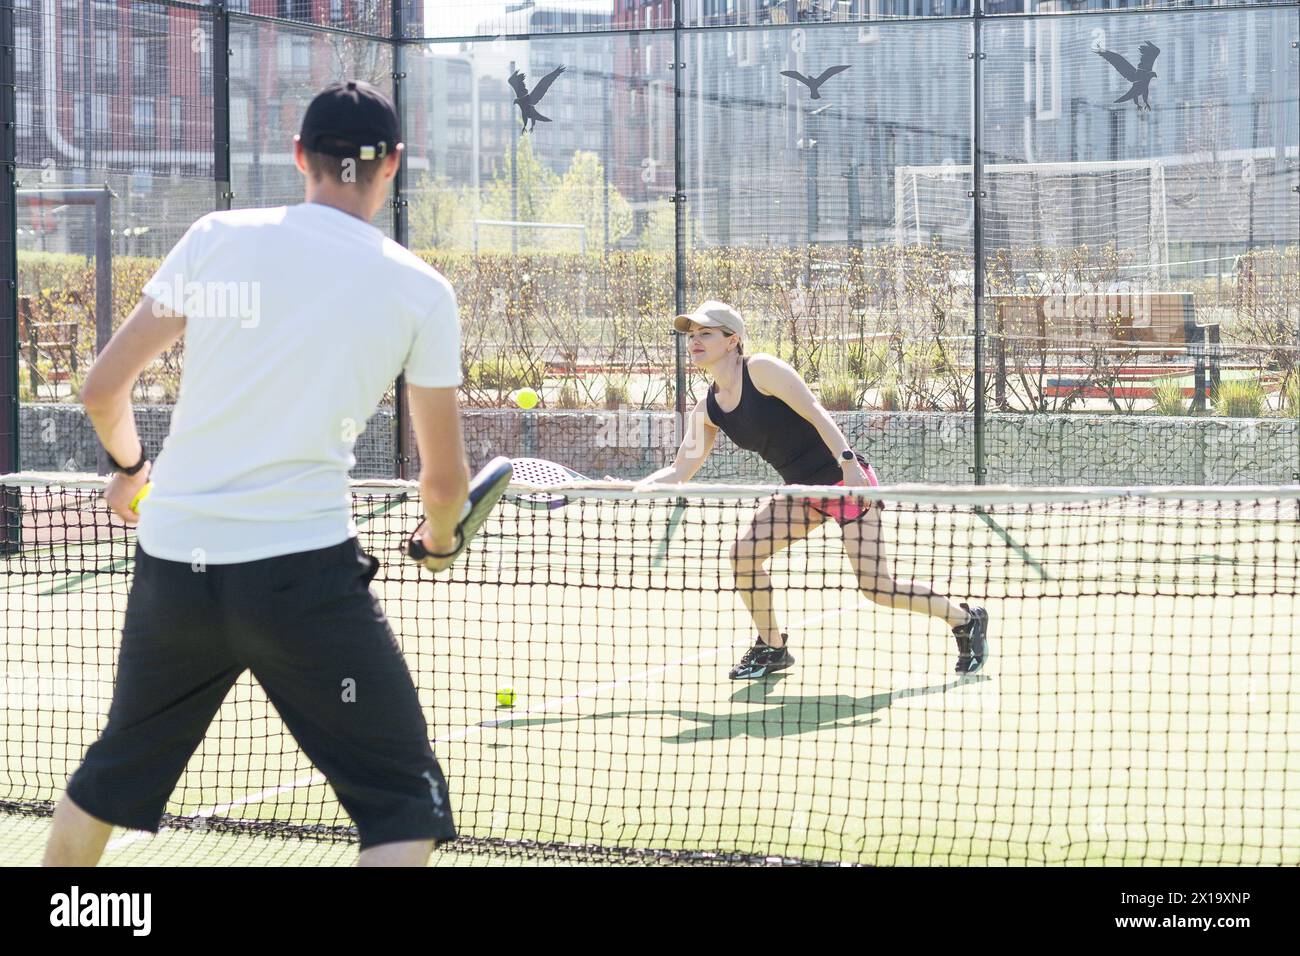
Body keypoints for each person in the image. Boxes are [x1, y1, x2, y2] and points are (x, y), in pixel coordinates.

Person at [42, 81, 466, 867]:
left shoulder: (216, 238)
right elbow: (444, 487)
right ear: (393, 166)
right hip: (302, 580)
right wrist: (439, 540)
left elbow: (103, 388)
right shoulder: (420, 289)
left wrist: (131, 470)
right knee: (401, 806)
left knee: (106, 781)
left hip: (174, 571)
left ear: (300, 155)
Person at [639, 301, 989, 680]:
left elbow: (816, 412)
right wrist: (634, 486)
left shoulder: (762, 370)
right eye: (692, 335)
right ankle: (772, 647)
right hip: (802, 492)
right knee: (743, 555)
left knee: (877, 587)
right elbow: (680, 470)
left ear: (732, 340)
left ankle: (965, 620)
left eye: (705, 333)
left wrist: (849, 464)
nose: (695, 341)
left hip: (845, 483)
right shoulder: (707, 409)